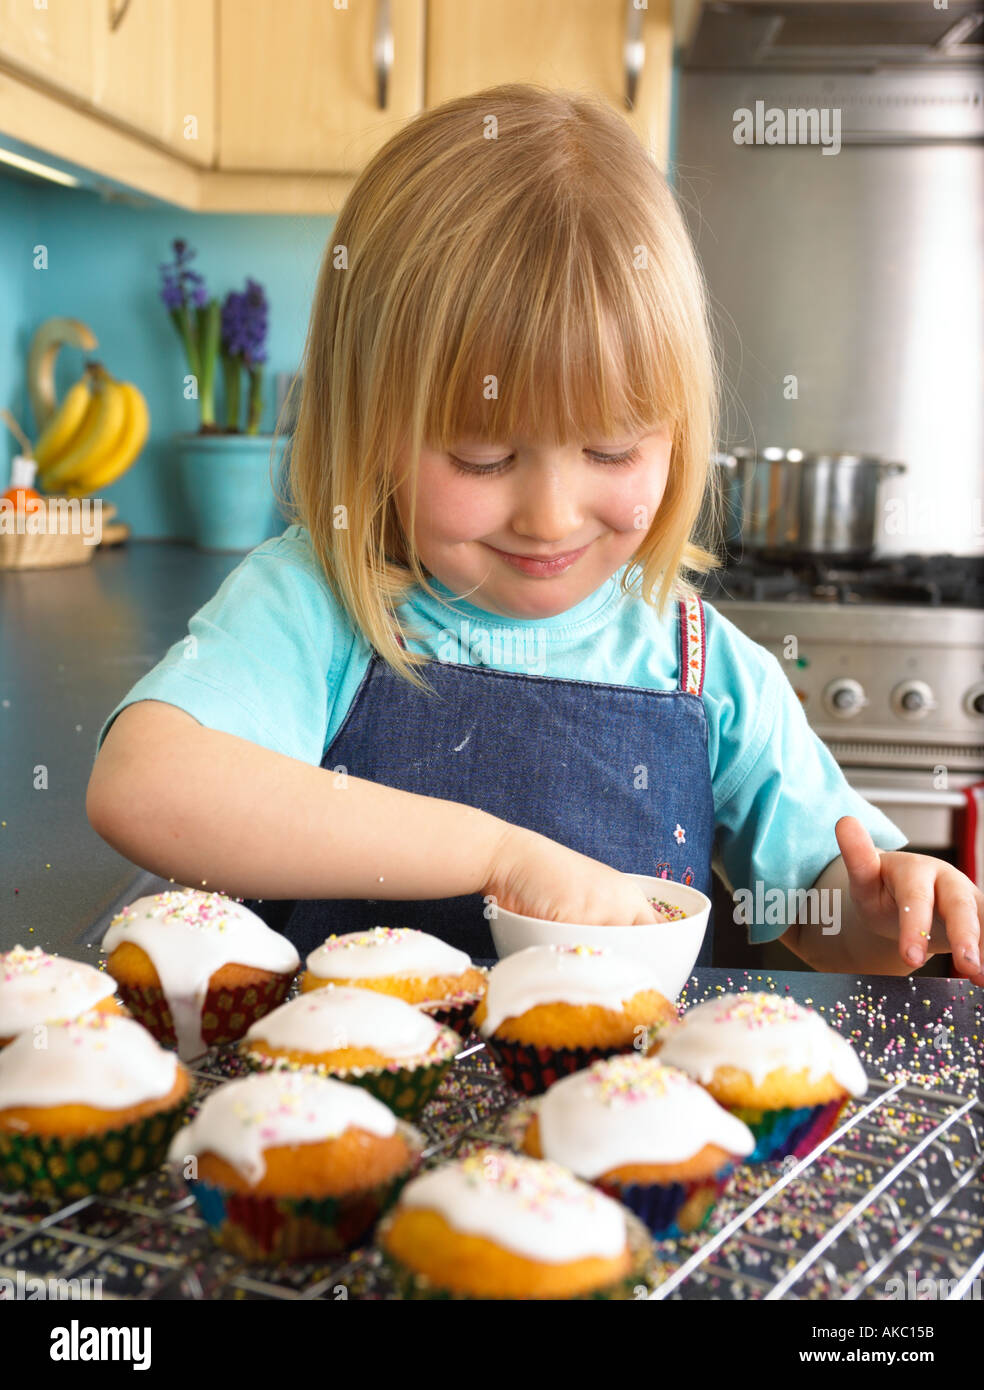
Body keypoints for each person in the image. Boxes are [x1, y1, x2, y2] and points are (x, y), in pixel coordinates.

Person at [86, 84, 984, 982]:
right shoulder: (319, 607)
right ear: (369, 429)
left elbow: (815, 911)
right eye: (481, 457)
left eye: (611, 449)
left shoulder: (706, 670)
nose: (551, 516)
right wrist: (496, 856)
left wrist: (882, 911)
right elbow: (143, 787)